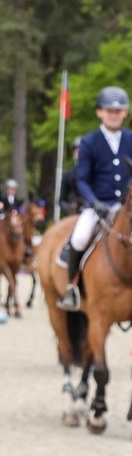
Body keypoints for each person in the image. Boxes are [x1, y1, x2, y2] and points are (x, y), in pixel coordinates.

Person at [57, 86, 132, 311]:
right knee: (80, 237)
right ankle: (72, 288)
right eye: (109, 111)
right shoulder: (89, 142)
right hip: (99, 205)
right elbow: (82, 180)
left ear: (125, 113)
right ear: (100, 112)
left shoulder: (131, 139)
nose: (113, 115)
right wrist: (94, 202)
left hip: (127, 206)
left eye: (118, 111)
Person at [59, 143, 82, 217]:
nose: (79, 154)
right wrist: (70, 207)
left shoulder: (94, 173)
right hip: (74, 212)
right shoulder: (67, 175)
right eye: (76, 151)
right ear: (74, 154)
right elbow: (61, 201)